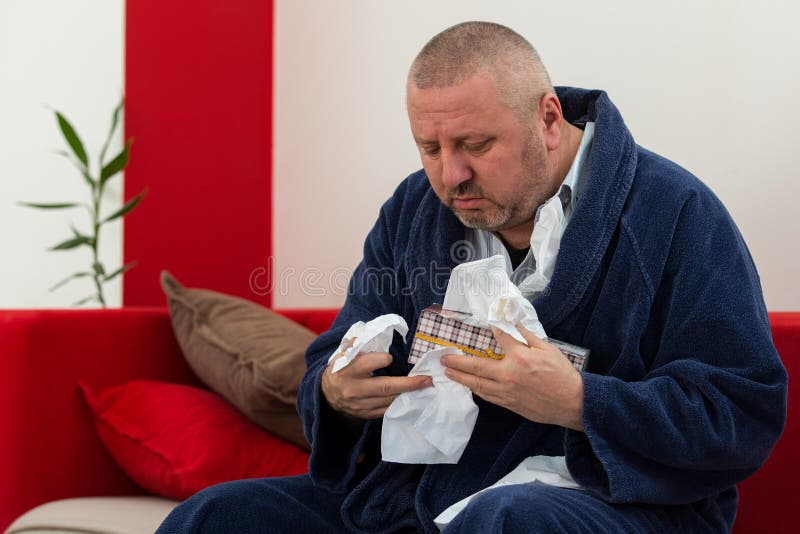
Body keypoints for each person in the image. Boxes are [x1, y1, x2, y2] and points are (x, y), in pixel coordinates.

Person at [158, 21, 787, 533]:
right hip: (422, 500)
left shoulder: (674, 214)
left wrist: (578, 401)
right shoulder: (413, 211)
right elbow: (334, 356)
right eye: (429, 148)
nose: (449, 175)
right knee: (217, 516)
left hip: (616, 506)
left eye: (476, 145)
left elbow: (742, 411)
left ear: (547, 119)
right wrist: (336, 395)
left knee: (509, 519)